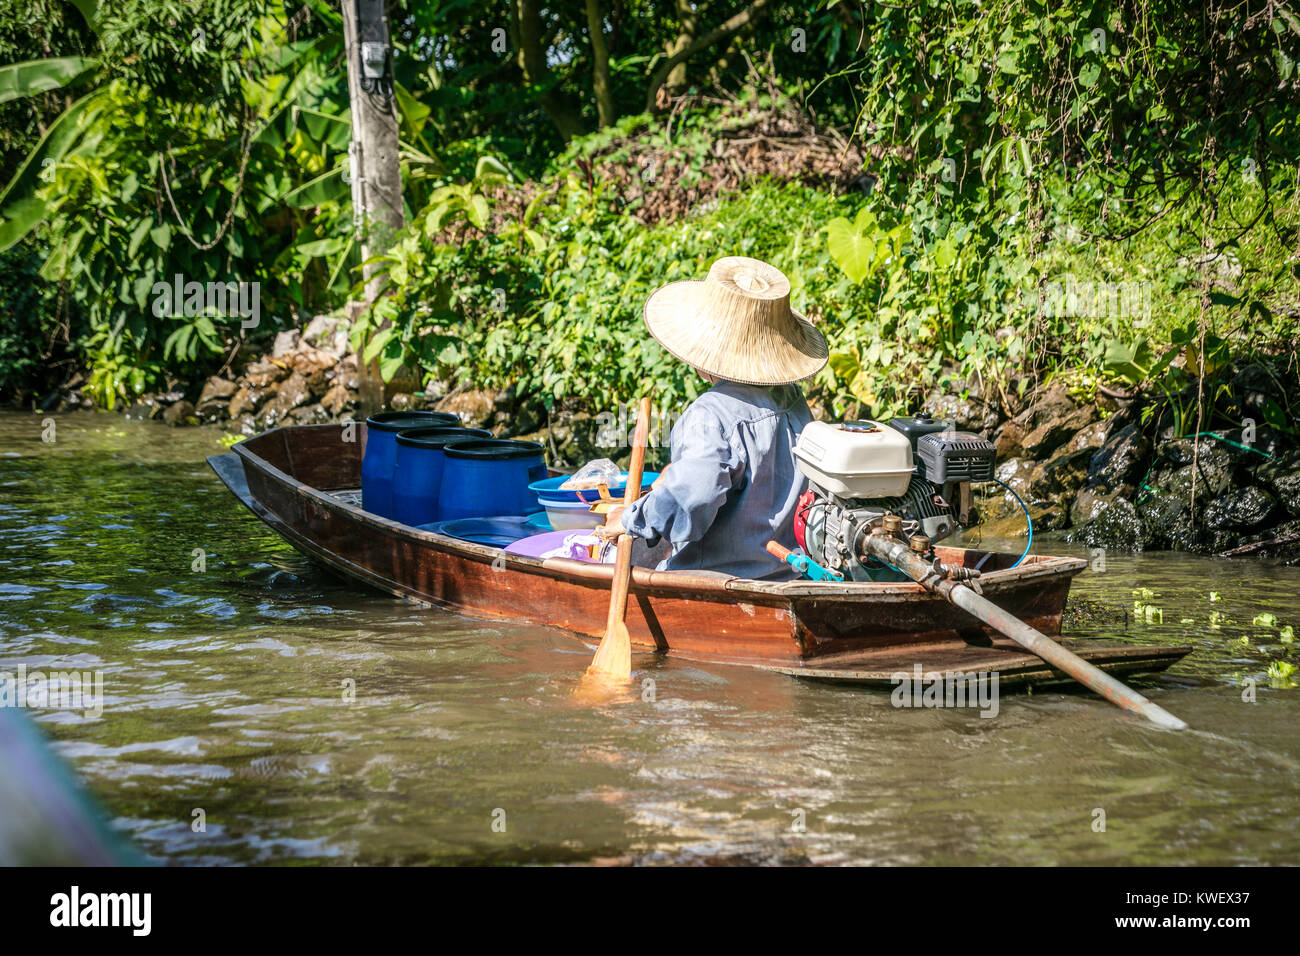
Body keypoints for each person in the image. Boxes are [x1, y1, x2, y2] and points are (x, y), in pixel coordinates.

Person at [602, 256, 827, 580]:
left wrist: (629, 518)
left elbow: (688, 503)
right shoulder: (790, 398)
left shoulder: (709, 417)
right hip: (788, 573)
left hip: (717, 580)